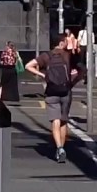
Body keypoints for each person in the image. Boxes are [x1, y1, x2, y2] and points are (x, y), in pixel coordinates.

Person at [24, 32, 79, 164]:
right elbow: (78, 64)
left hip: (51, 91)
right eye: (65, 41)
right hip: (66, 91)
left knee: (55, 120)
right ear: (61, 43)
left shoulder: (46, 56)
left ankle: (59, 148)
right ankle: (62, 147)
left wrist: (42, 75)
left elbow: (28, 66)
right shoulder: (67, 55)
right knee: (63, 121)